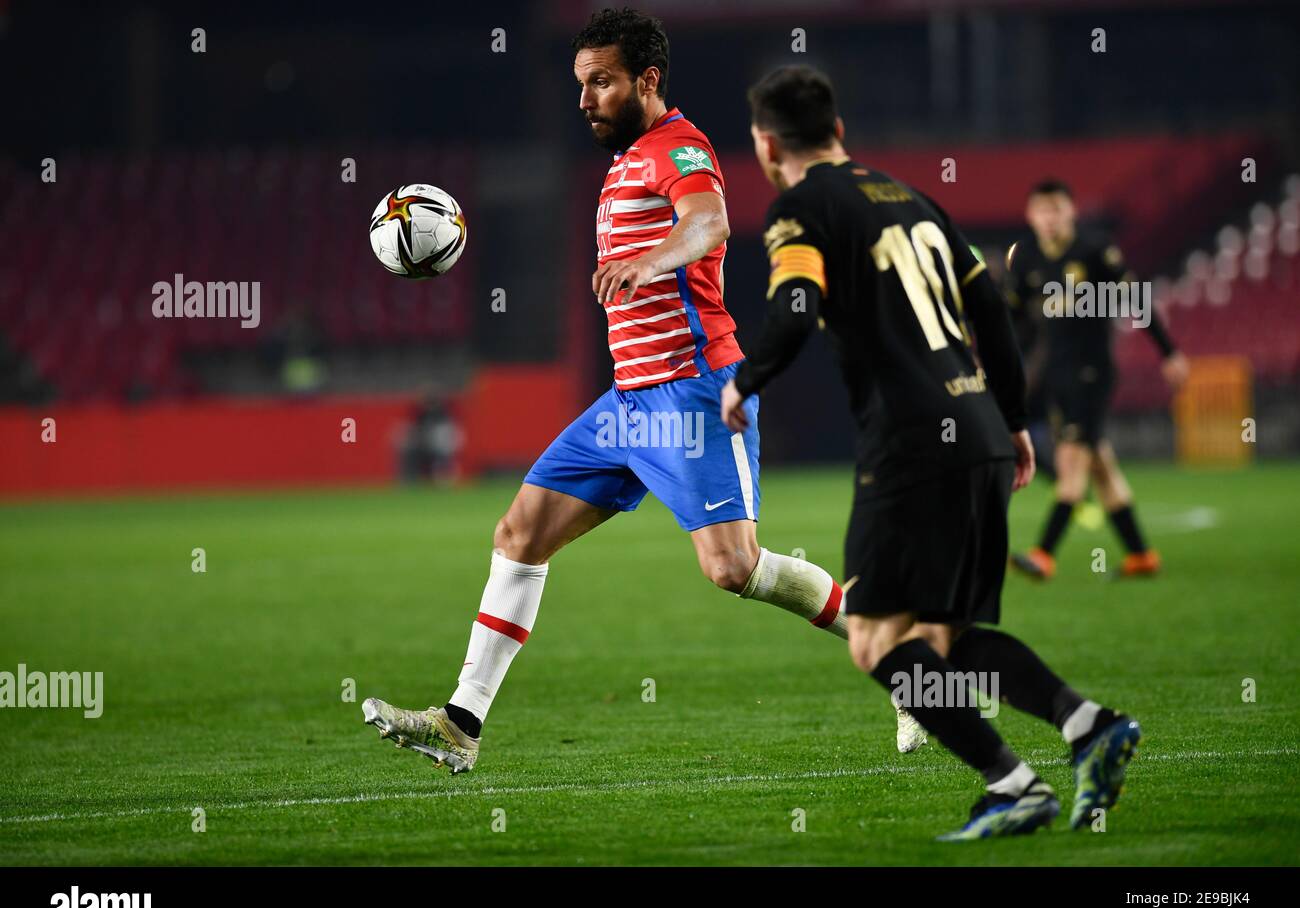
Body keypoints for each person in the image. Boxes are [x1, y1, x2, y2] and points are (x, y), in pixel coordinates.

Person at [361, 9, 924, 775]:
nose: (586, 98)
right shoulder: (622, 162)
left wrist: (655, 260)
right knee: (519, 534)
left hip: (695, 395)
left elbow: (711, 223)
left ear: (647, 80)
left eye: (602, 82)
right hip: (629, 404)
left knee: (734, 569)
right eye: (580, 83)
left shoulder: (678, 147)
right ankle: (462, 723)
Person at [720, 65, 1140, 838]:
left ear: (764, 144)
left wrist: (744, 381)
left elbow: (797, 305)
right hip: (977, 431)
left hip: (912, 445)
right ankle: (1088, 727)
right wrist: (1012, 421)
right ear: (839, 133)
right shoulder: (912, 197)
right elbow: (992, 310)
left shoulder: (799, 209)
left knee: (878, 640)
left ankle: (1015, 785)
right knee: (943, 639)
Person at [1006, 180, 1190, 580]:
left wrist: (1168, 352)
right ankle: (1141, 555)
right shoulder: (1028, 260)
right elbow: (1016, 323)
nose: (1049, 218)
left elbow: (1136, 299)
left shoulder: (1094, 251)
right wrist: (993, 358)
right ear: (1030, 216)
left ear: (1071, 211)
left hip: (1092, 373)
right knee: (1101, 465)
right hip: (1057, 373)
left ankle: (1043, 553)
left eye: (1056, 209)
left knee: (1072, 463)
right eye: (1042, 210)